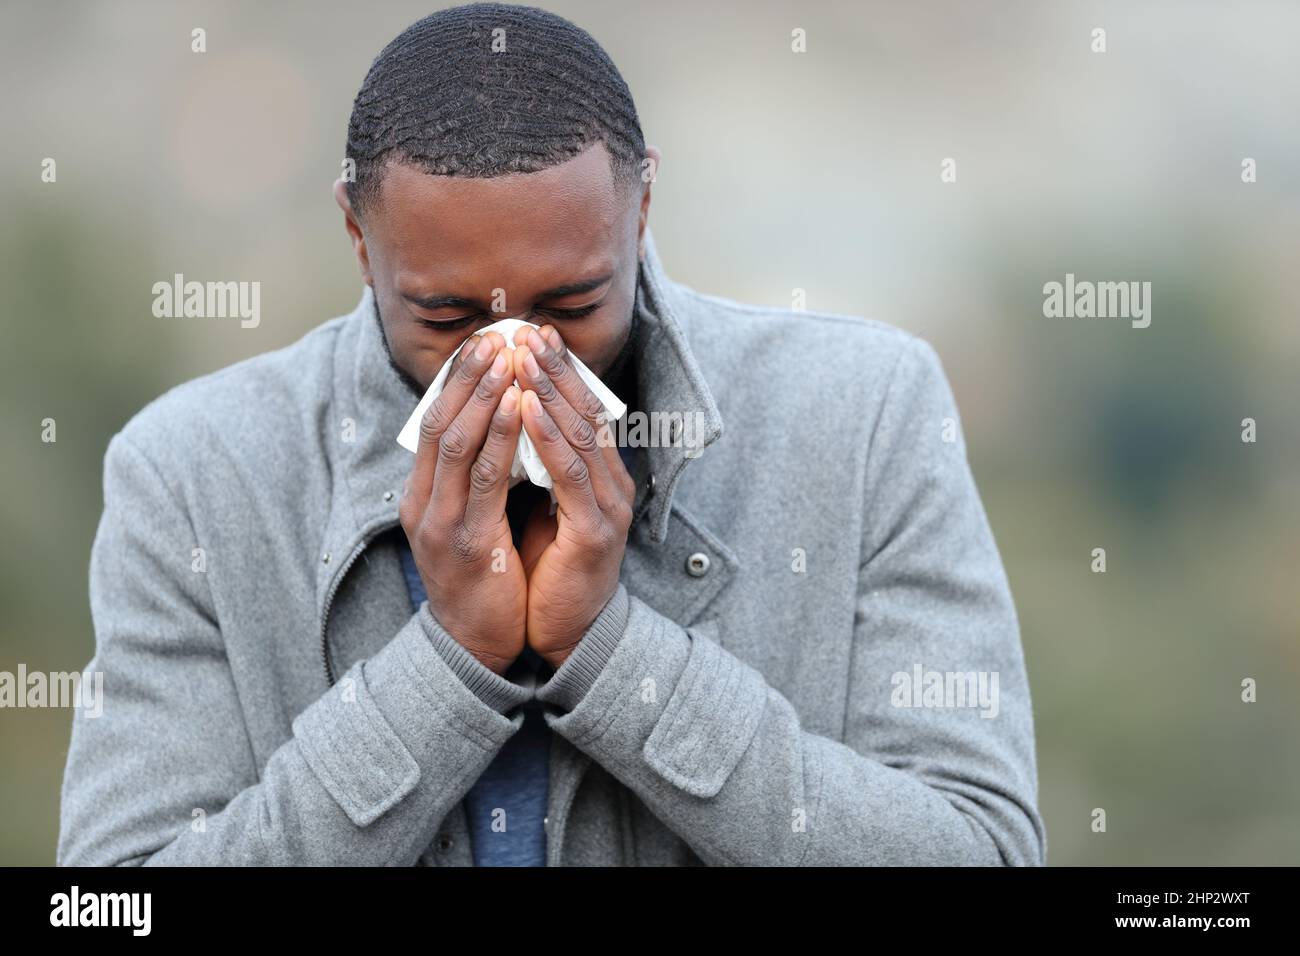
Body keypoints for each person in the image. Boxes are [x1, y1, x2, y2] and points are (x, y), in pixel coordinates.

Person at [58, 3, 1045, 866]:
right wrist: (449, 663)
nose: (514, 360)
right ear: (358, 239)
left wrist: (610, 654)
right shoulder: (192, 472)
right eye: (446, 318)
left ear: (643, 203)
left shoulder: (861, 416)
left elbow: (980, 849)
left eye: (570, 303)